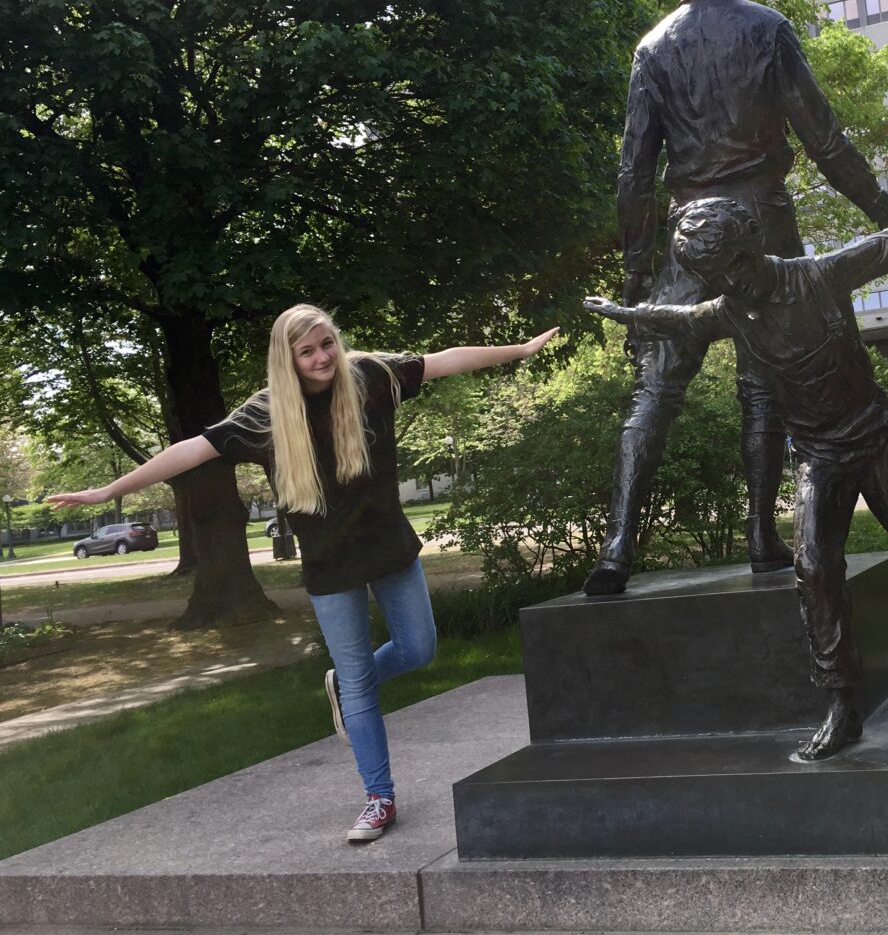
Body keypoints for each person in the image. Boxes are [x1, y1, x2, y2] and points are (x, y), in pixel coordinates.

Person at [585, 129, 888, 760]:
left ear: (749, 251)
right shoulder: (730, 308)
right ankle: (842, 705)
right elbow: (680, 319)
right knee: (815, 566)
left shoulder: (818, 276)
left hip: (876, 440)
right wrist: (625, 312)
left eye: (730, 269)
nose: (726, 284)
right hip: (819, 455)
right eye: (714, 276)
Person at [47, 305, 558, 842]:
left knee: (419, 649)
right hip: (329, 565)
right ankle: (378, 797)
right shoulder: (265, 414)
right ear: (288, 359)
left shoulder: (370, 376)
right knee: (361, 682)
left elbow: (445, 361)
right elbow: (190, 451)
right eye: (307, 351)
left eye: (327, 344)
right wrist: (110, 490)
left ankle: (346, 686)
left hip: (387, 548)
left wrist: (519, 351)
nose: (321, 358)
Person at [588, 0, 888, 597]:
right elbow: (825, 143)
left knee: (656, 390)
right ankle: (763, 534)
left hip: (687, 233)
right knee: (764, 380)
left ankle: (618, 545)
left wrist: (639, 279)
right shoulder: (767, 30)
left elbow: (633, 177)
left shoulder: (652, 47)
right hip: (762, 219)